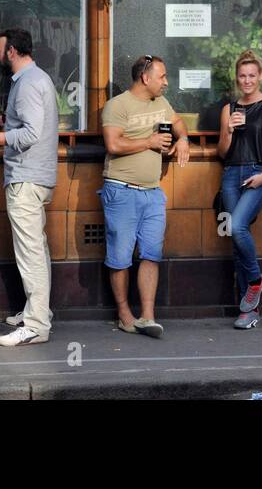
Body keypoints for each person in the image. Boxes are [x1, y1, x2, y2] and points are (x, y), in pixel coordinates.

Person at [0, 29, 59, 347]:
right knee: (38, 249)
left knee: (30, 253)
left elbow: (31, 133)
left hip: (26, 177)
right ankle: (38, 312)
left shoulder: (30, 83)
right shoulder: (35, 79)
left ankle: (35, 325)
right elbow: (26, 125)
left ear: (12, 51)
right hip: (37, 176)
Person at [100, 55, 190, 337]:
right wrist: (149, 142)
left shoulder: (160, 103)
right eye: (162, 76)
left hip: (153, 193)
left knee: (151, 254)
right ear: (145, 78)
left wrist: (184, 139)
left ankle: (147, 316)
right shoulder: (118, 105)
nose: (166, 82)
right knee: (120, 257)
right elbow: (113, 144)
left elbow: (177, 122)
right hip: (122, 191)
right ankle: (124, 313)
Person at [216, 50, 262, 330]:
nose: (247, 80)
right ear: (237, 78)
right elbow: (221, 152)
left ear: (261, 76)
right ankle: (248, 311)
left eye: (252, 75)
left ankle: (255, 280)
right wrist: (229, 131)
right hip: (232, 174)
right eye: (242, 76)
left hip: (258, 173)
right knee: (235, 240)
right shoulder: (228, 109)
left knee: (237, 226)